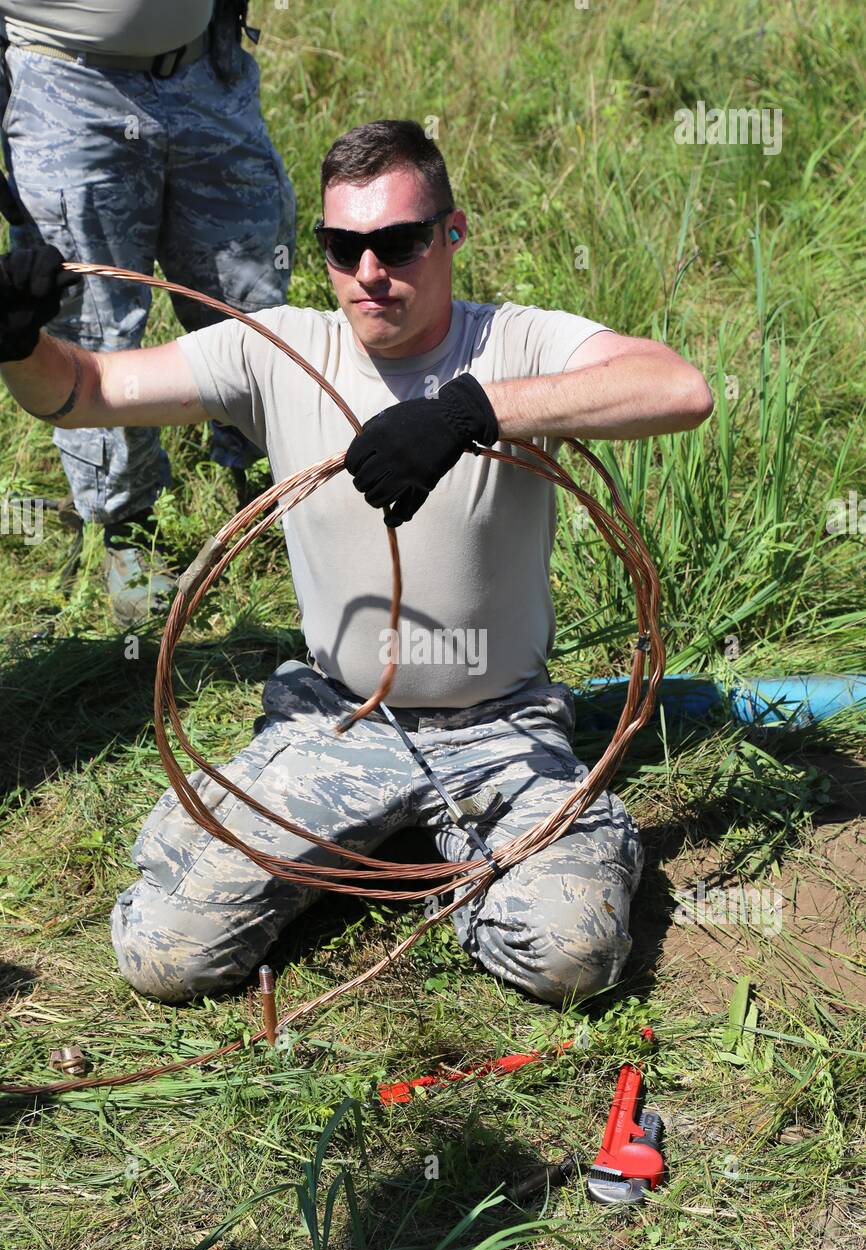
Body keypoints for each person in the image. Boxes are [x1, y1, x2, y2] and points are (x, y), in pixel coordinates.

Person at [0, 119, 713, 1007]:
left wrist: (467, 413)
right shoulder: (278, 350)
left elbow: (679, 388)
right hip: (341, 723)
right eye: (345, 247)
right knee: (165, 958)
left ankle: (439, 859)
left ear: (451, 233)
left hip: (501, 727)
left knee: (572, 959)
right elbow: (85, 392)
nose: (371, 272)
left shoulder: (517, 343)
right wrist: (21, 345)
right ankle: (361, 836)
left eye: (400, 242)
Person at [0, 0, 296, 623]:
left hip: (203, 71)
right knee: (96, 328)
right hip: (65, 85)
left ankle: (274, 483)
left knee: (250, 298)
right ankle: (129, 531)